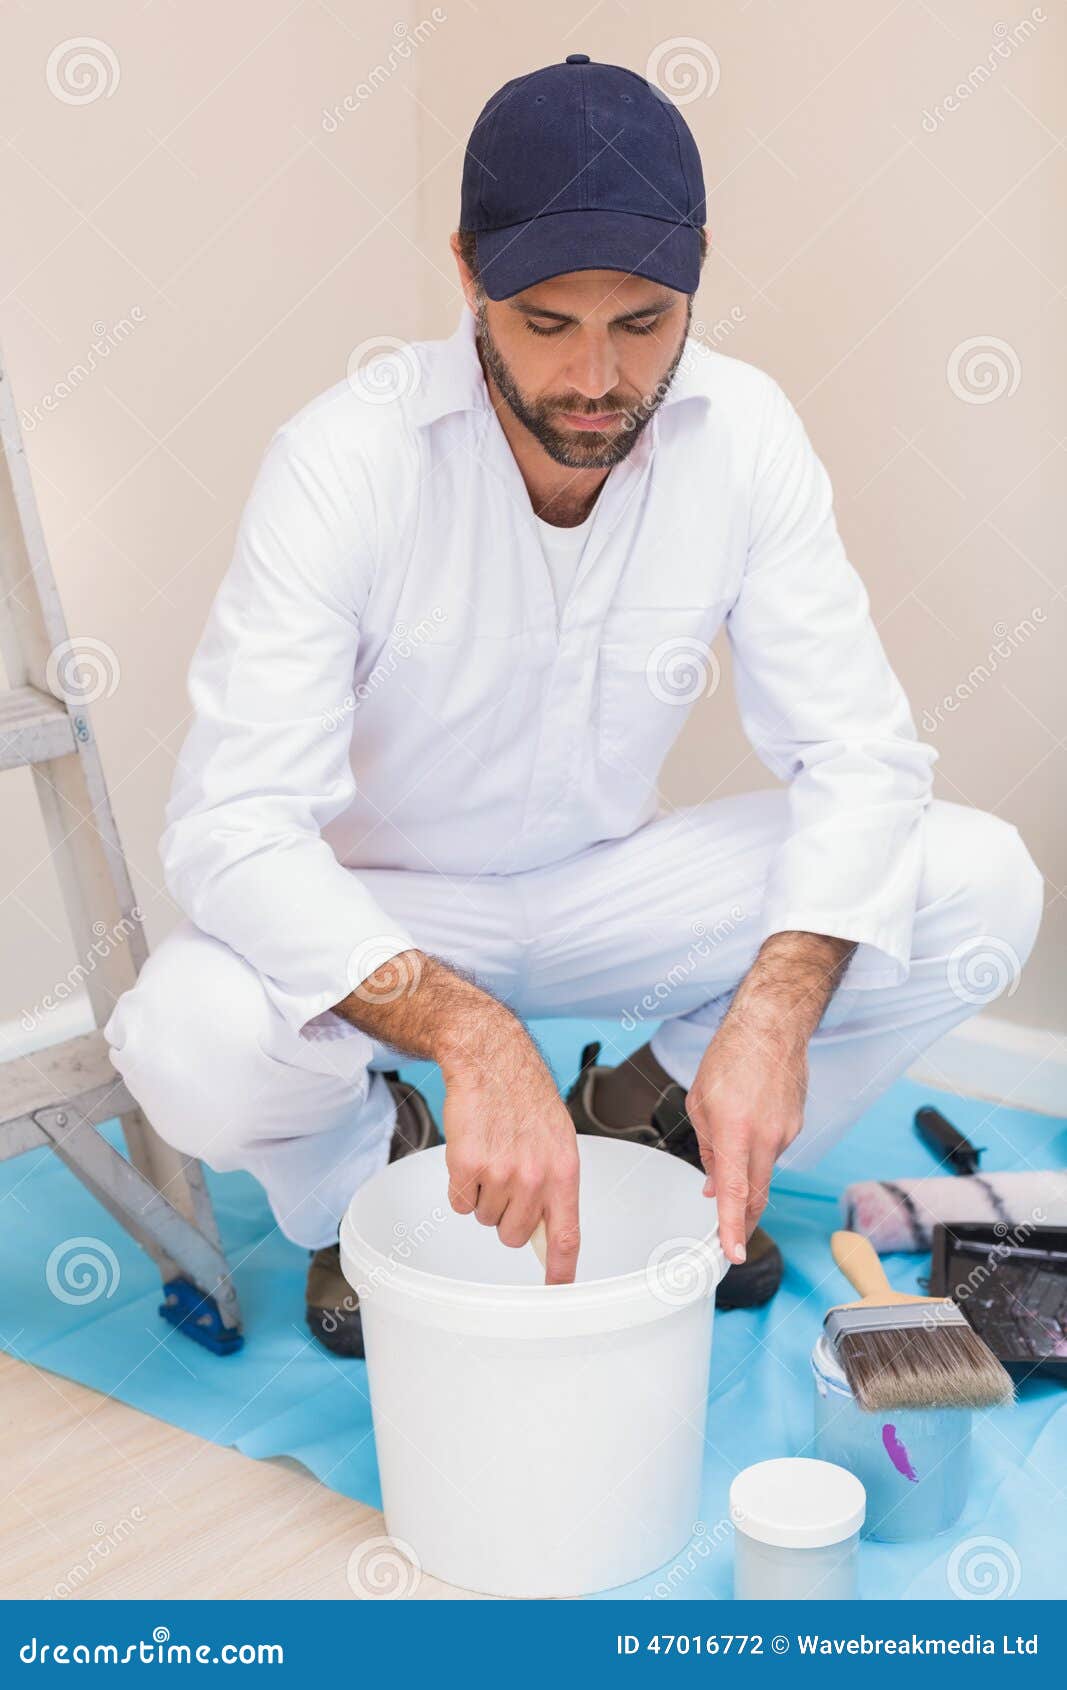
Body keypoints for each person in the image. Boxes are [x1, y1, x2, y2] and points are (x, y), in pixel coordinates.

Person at [105, 55, 1043, 1355]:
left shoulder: (747, 433)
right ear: (468, 273)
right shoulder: (342, 459)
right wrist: (467, 1035)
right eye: (547, 323)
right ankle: (379, 1175)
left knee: (980, 883)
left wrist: (774, 1013)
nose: (597, 377)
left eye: (643, 322)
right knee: (183, 1033)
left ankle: (653, 1125)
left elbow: (860, 754)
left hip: (614, 889)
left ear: (698, 273)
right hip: (396, 914)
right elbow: (233, 827)